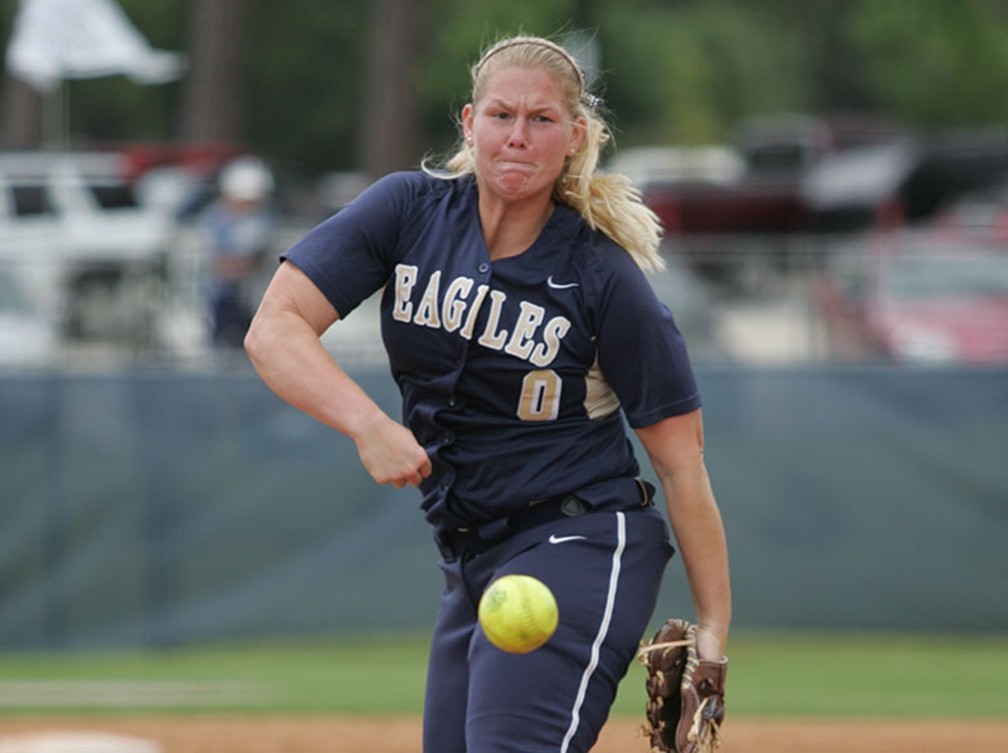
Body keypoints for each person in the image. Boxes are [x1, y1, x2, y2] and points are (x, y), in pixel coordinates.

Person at [245, 34, 731, 753]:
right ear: (469, 124)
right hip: (473, 561)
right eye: (502, 115)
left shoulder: (600, 276)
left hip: (585, 541)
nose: (518, 136)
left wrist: (714, 631)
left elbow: (682, 462)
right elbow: (274, 328)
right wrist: (366, 423)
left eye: (541, 119)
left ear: (575, 137)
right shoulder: (409, 211)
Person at [200, 155, 277, 348]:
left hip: (253, 297)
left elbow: (260, 256)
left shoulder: (262, 220)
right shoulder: (215, 219)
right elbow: (218, 261)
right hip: (222, 297)